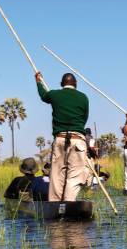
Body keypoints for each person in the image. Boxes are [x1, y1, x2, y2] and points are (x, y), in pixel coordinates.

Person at [37, 72, 90, 202]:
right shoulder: (83, 97)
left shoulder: (55, 94)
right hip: (77, 139)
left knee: (56, 175)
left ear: (62, 84)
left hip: (60, 139)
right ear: (76, 85)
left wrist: (39, 82)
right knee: (75, 176)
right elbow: (84, 118)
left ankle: (55, 205)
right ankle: (68, 203)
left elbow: (44, 95)